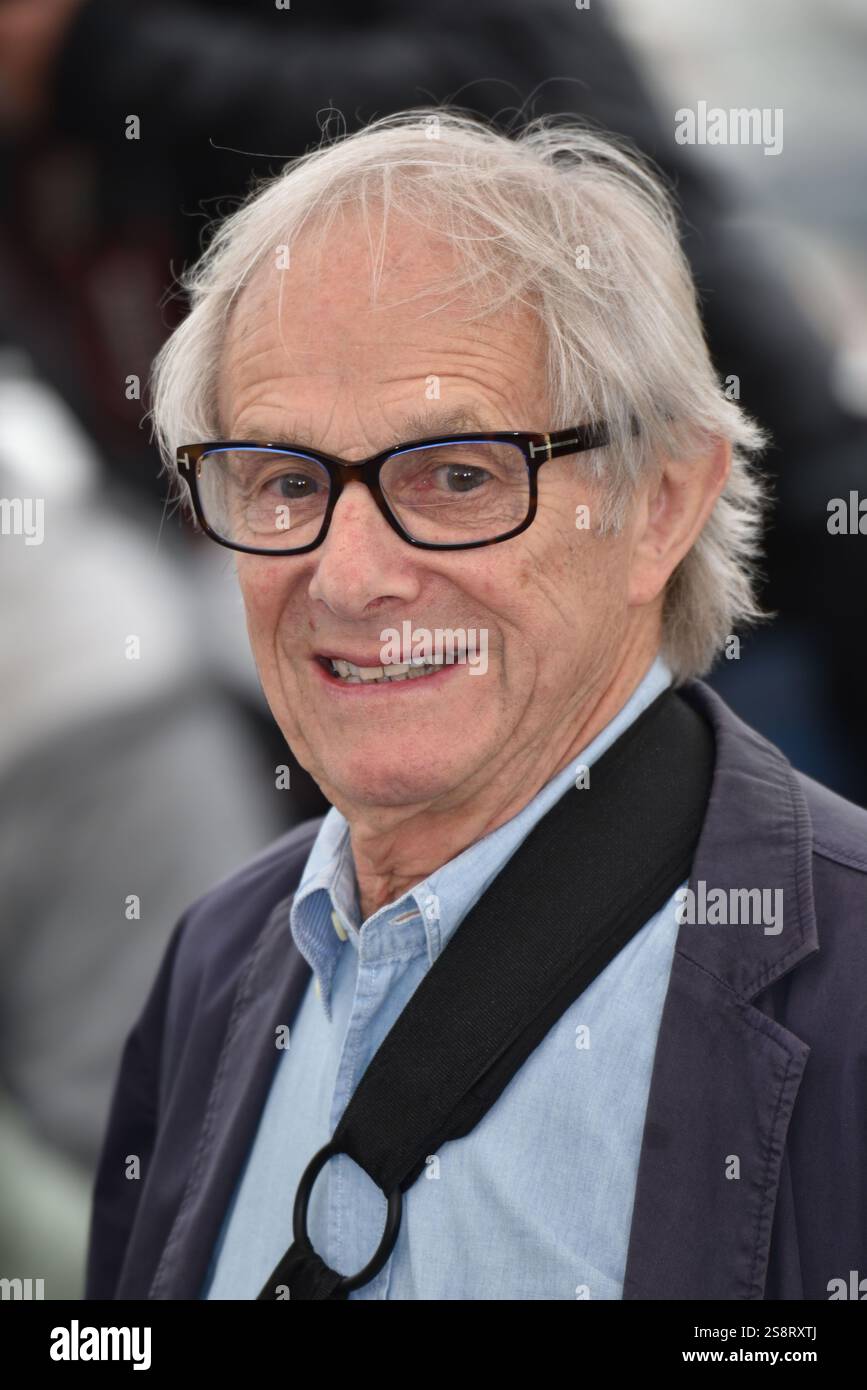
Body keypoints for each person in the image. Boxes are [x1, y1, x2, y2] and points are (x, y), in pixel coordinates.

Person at [84, 109, 867, 1301]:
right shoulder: (216, 960)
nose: (349, 575)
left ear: (661, 504)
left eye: (457, 475)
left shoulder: (849, 987)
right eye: (286, 482)